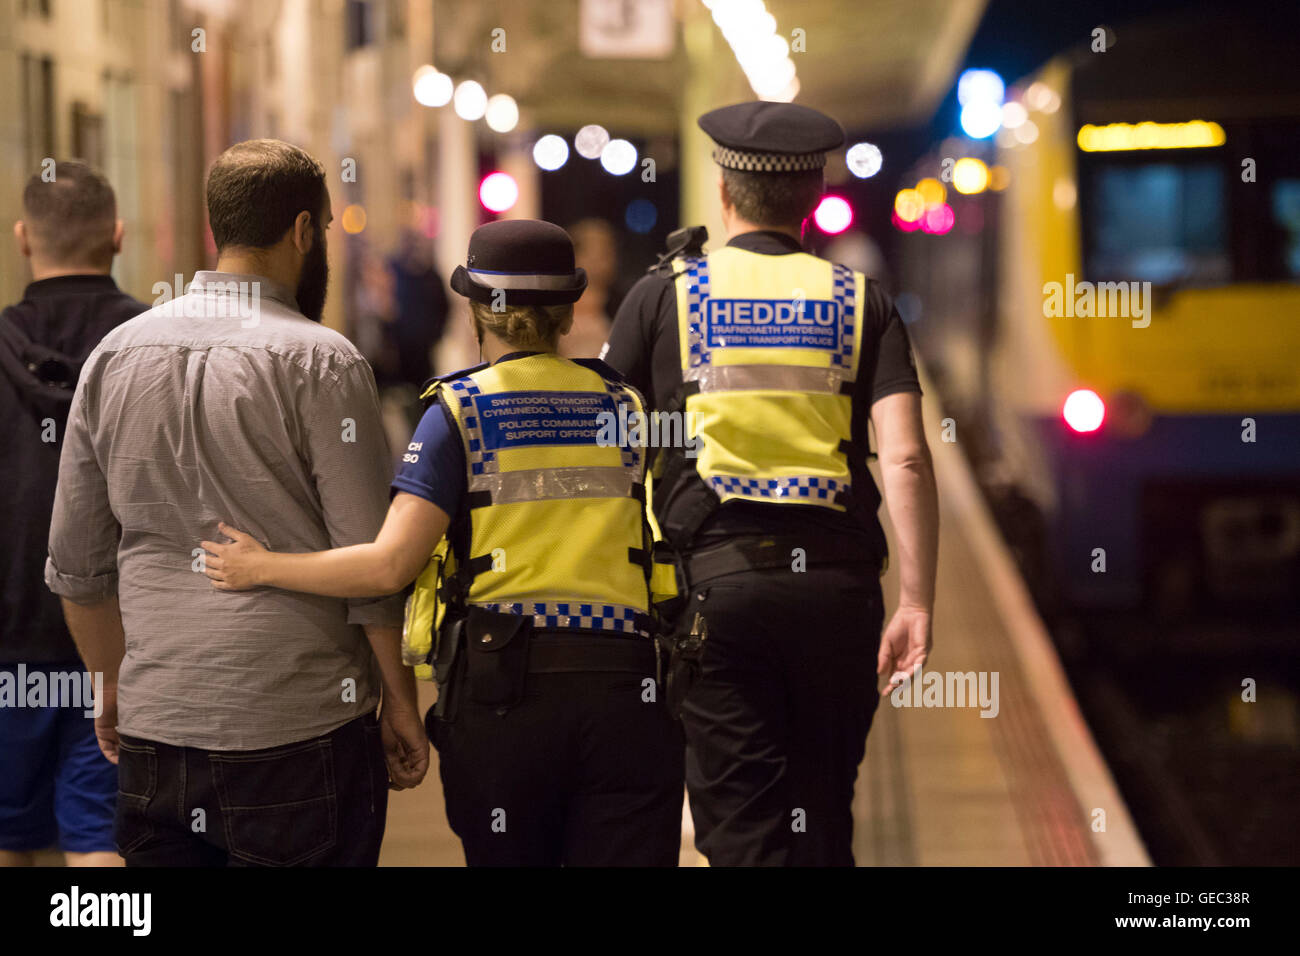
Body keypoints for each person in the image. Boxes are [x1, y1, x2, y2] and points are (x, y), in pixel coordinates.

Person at [201, 219, 685, 867]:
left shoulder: (460, 413)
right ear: (566, 314)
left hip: (507, 697)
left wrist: (262, 566)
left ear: (477, 311)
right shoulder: (625, 406)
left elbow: (391, 564)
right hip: (628, 689)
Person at [44, 139, 428, 867]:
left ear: (216, 227)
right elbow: (372, 564)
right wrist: (400, 704)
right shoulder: (324, 361)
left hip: (159, 727)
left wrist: (113, 686)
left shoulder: (114, 356)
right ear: (305, 232)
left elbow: (77, 566)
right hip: (299, 725)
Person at [602, 101, 940, 866]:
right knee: (822, 819)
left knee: (745, 828)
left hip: (717, 595)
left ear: (723, 193)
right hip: (840, 595)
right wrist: (917, 601)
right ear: (815, 196)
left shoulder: (664, 297)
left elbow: (604, 442)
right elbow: (908, 460)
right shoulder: (863, 302)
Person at [0, 161, 147, 867]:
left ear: (24, 238)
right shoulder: (159, 349)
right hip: (126, 648)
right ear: (117, 236)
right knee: (100, 843)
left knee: (11, 841)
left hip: (7, 647)